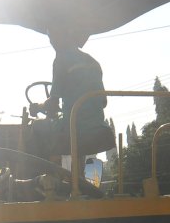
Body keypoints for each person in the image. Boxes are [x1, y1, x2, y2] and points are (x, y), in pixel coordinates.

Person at [30, 27, 111, 161]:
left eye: (54, 37)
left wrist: (37, 107)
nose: (52, 42)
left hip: (73, 127)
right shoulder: (93, 62)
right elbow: (103, 102)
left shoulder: (61, 59)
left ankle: (48, 176)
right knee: (74, 130)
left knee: (36, 126)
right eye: (51, 39)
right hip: (99, 128)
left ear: (67, 36)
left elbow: (52, 104)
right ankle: (87, 179)